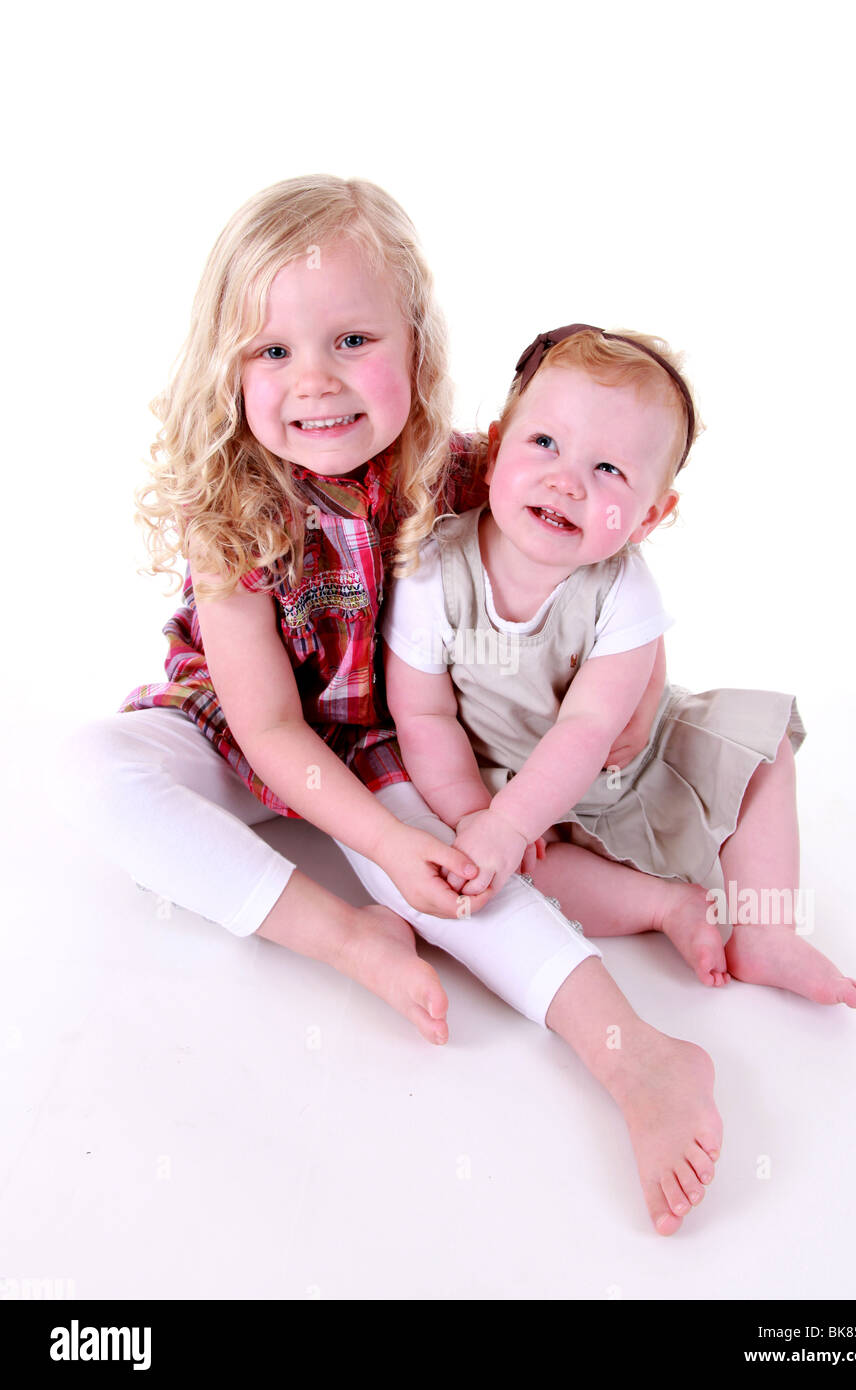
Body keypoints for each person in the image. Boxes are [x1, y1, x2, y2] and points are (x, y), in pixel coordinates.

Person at [57, 182, 725, 1235]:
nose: (314, 380)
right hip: (240, 729)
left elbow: (601, 572)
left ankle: (633, 1051)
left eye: (352, 339)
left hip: (393, 741)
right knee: (90, 773)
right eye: (271, 350)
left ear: (416, 341)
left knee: (454, 876)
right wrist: (372, 841)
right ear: (225, 365)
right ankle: (342, 936)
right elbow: (268, 729)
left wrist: (636, 694)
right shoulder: (227, 507)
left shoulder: (468, 473)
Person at [381, 324, 856, 1012]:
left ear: (649, 516)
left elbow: (588, 727)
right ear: (492, 453)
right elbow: (422, 713)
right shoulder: (434, 570)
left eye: (608, 469)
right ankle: (661, 905)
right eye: (544, 442)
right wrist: (482, 819)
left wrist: (510, 824)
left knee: (762, 756)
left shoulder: (623, 589)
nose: (566, 481)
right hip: (498, 777)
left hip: (625, 762)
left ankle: (767, 932)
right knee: (497, 873)